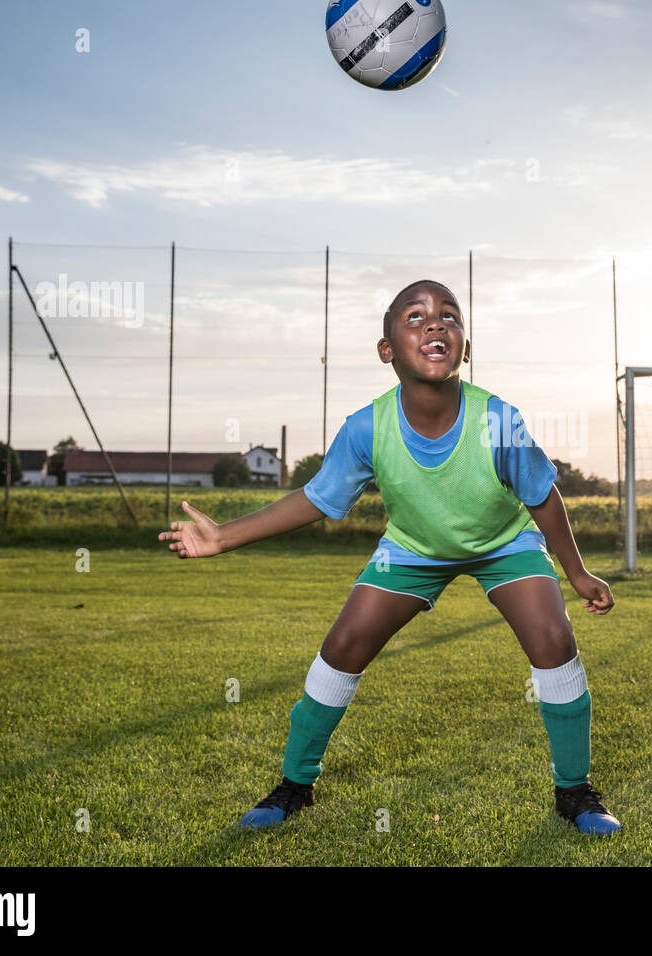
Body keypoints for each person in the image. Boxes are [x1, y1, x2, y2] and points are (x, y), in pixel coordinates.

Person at [157, 279, 622, 836]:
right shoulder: (366, 427)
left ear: (465, 347)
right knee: (343, 644)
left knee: (553, 637)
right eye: (416, 316)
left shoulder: (498, 420)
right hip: (414, 548)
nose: (435, 323)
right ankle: (293, 786)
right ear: (387, 350)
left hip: (504, 541)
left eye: (450, 316)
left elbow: (542, 495)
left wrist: (576, 572)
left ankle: (574, 793)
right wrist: (223, 537)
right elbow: (315, 498)